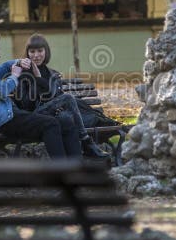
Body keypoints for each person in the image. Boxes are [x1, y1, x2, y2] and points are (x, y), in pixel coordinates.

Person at [0, 28, 82, 160]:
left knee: (65, 122)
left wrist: (19, 62)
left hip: (12, 117)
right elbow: (0, 91)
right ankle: (63, 172)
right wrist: (14, 76)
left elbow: (4, 67)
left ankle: (77, 169)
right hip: (1, 124)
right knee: (50, 124)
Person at [14, 33, 111, 161]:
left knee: (66, 118)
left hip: (53, 116)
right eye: (32, 51)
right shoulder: (23, 74)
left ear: (46, 51)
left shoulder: (53, 74)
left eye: (40, 50)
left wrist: (57, 107)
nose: (36, 55)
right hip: (34, 117)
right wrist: (37, 79)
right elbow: (25, 105)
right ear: (27, 53)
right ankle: (86, 141)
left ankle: (74, 166)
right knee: (68, 98)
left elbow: (56, 99)